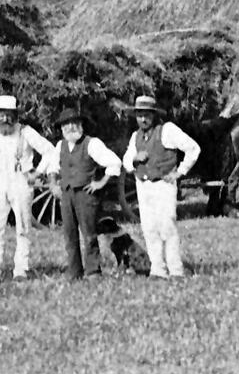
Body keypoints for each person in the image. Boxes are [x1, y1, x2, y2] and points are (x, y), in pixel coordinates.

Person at [0, 94, 55, 281]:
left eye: (9, 114)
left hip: (20, 182)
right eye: (2, 114)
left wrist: (37, 172)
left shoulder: (26, 132)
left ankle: (21, 269)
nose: (5, 119)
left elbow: (50, 150)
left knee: (23, 228)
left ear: (16, 115)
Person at [122, 95, 200, 278]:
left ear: (154, 115)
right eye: (139, 115)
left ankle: (176, 270)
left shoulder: (167, 130)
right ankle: (157, 269)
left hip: (163, 185)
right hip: (143, 186)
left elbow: (193, 148)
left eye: (147, 115)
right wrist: (134, 158)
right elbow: (126, 161)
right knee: (149, 228)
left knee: (167, 227)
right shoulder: (136, 136)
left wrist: (180, 172)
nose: (143, 119)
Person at [43, 106, 122, 279]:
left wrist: (100, 183)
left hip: (86, 195)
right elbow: (52, 167)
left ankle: (93, 271)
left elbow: (114, 162)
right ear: (62, 129)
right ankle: (74, 271)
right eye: (66, 124)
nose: (71, 127)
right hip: (67, 195)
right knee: (70, 235)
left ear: (81, 125)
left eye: (74, 123)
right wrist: (53, 184)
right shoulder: (60, 146)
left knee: (89, 234)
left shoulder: (91, 143)